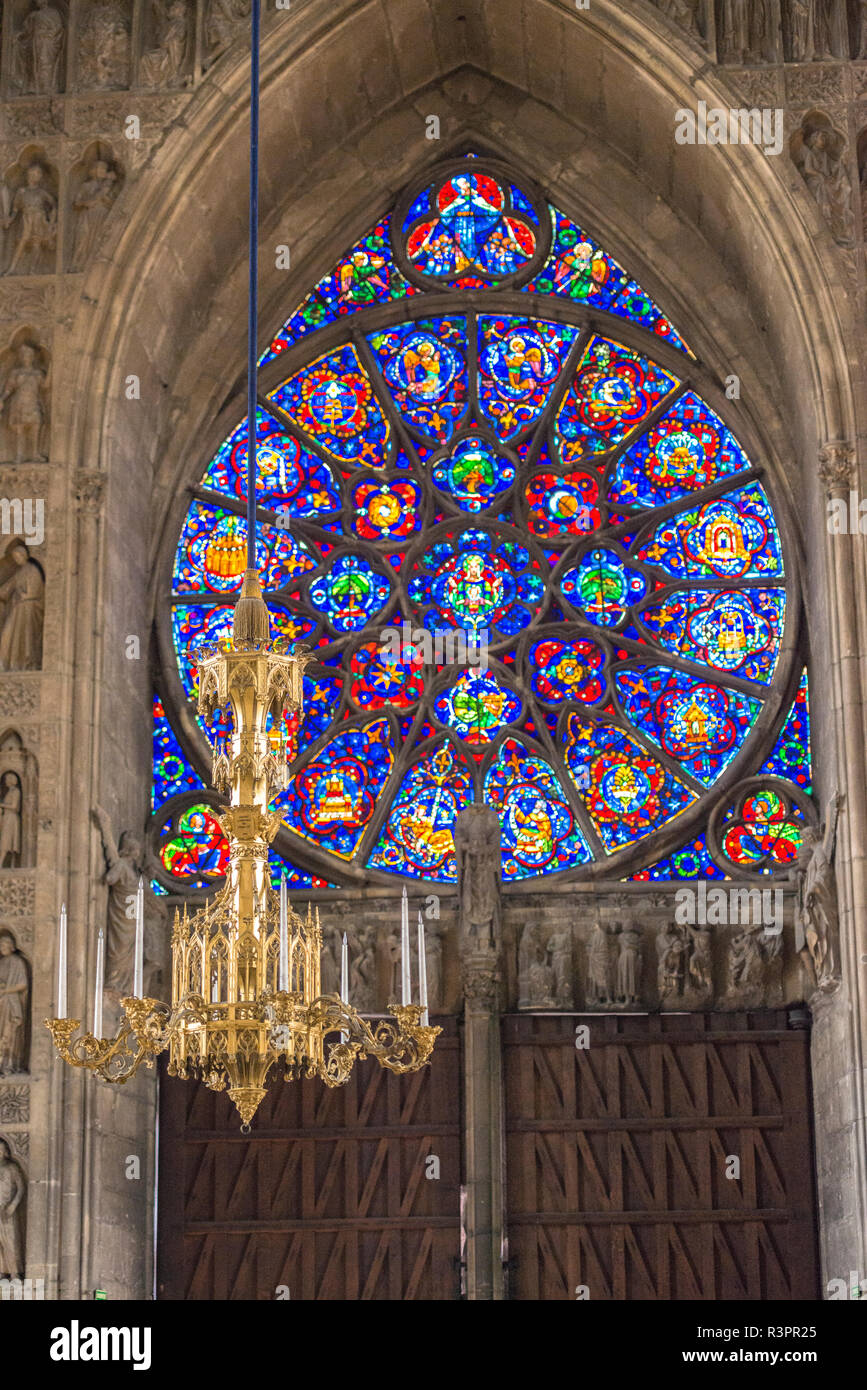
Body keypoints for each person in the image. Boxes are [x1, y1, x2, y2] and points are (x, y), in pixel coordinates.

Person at [0, 542, 44, 671]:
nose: (16, 560)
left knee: (26, 640)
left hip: (28, 609)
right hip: (18, 609)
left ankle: (26, 664)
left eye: (17, 557)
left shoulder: (32, 569)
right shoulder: (20, 572)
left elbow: (34, 591)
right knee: (7, 637)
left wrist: (22, 596)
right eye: (14, 557)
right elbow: (8, 587)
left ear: (24, 556)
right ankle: (7, 664)